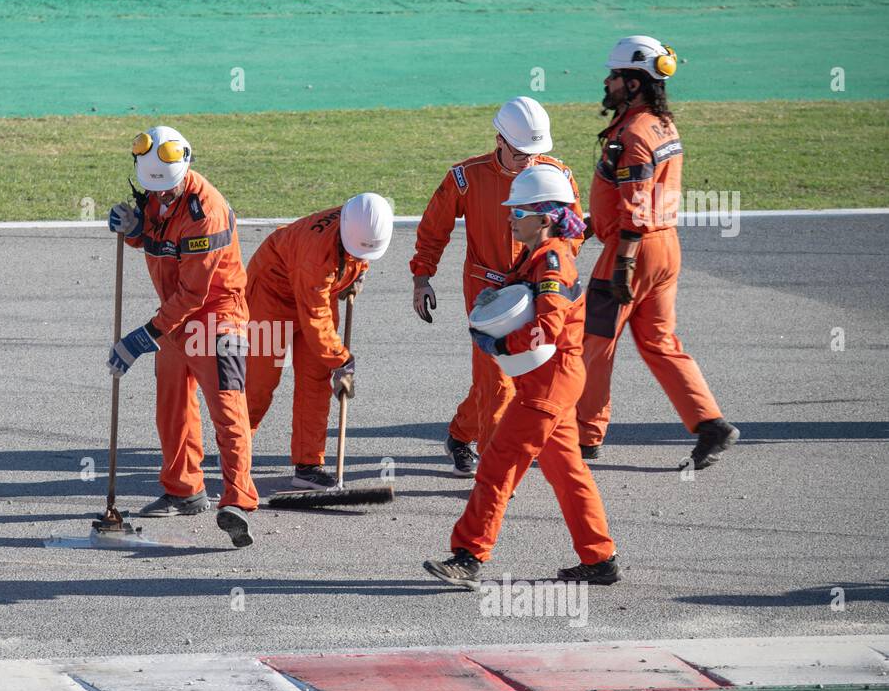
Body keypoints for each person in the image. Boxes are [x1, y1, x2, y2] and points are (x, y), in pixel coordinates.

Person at [424, 166, 619, 588]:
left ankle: (468, 556)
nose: (510, 218)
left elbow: (544, 330)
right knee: (568, 473)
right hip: (553, 381)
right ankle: (599, 558)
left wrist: (500, 346)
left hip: (547, 383)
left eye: (519, 212)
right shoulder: (540, 254)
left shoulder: (551, 261)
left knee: (495, 465)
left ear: (544, 217)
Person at [577, 35, 738, 469]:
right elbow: (637, 200)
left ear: (634, 84)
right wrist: (593, 223)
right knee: (661, 343)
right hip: (665, 249)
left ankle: (584, 438)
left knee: (594, 343)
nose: (607, 82)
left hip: (633, 252)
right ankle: (710, 424)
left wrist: (623, 262)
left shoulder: (632, 134)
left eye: (614, 75)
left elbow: (635, 200)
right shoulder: (662, 125)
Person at [410, 96, 583, 478]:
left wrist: (550, 275)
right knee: (498, 383)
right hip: (486, 293)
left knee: (524, 371)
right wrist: (422, 277)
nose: (530, 160)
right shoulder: (465, 177)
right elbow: (433, 229)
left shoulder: (556, 176)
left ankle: (459, 435)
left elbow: (573, 233)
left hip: (536, 286)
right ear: (499, 140)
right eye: (522, 152)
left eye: (536, 152)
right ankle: (495, 471)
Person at [107, 125, 259, 547]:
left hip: (217, 316)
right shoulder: (159, 189)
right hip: (176, 316)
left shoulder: (204, 212)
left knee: (227, 411)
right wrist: (135, 229)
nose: (162, 197)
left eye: (168, 191)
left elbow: (195, 292)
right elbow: (160, 243)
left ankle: (239, 500)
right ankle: (184, 489)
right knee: (171, 407)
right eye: (156, 190)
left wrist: (142, 338)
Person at [244, 194, 393, 488]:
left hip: (315, 293)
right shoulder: (314, 257)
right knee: (260, 383)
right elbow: (316, 321)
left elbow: (360, 253)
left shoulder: (363, 220)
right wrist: (342, 361)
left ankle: (308, 464)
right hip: (271, 297)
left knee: (316, 379)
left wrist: (354, 276)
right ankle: (234, 453)